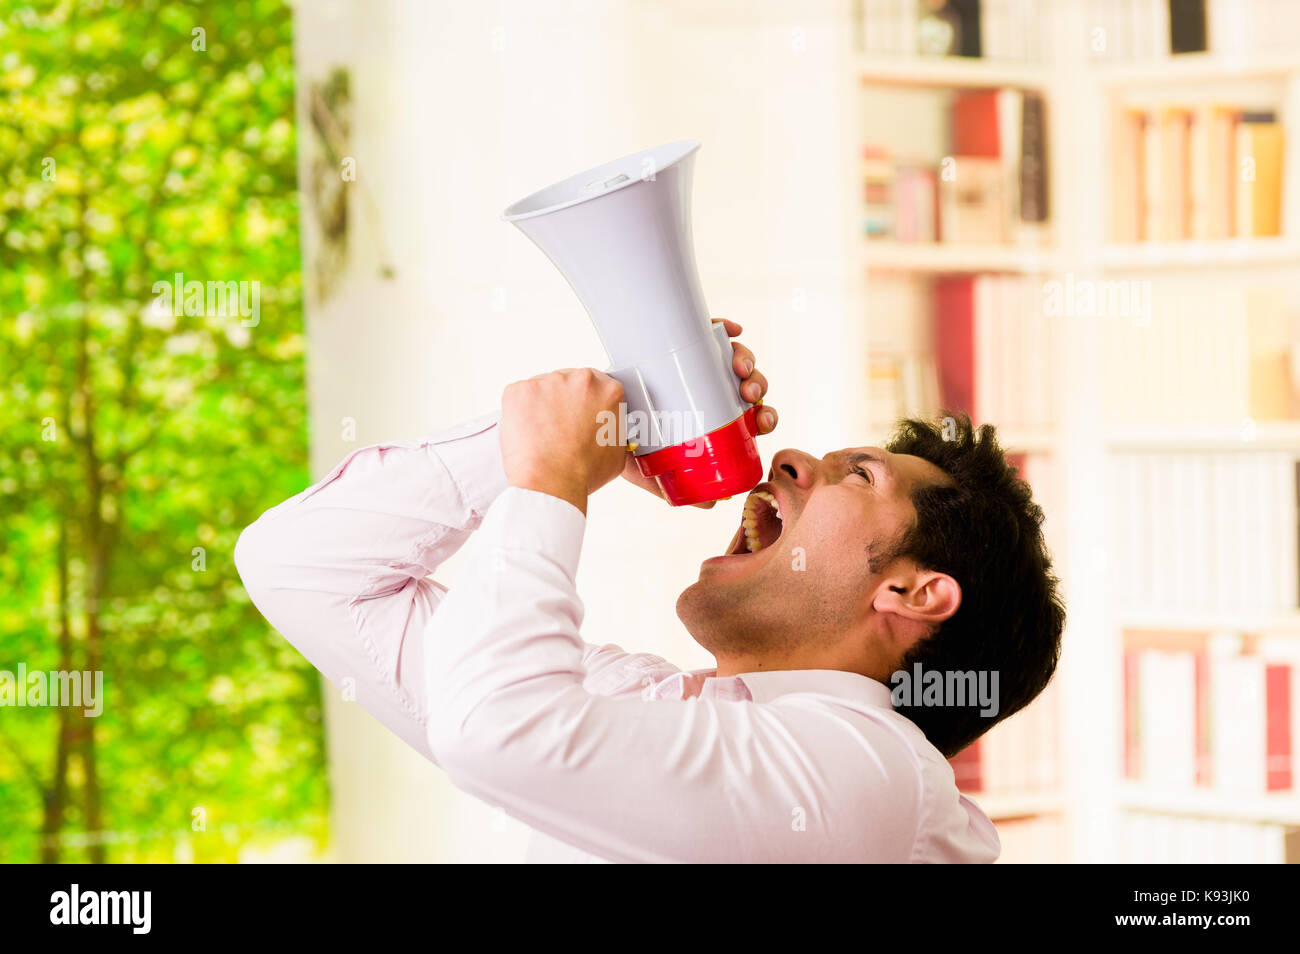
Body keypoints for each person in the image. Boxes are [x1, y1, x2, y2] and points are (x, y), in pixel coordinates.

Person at [235, 322, 1065, 862]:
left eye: (857, 475)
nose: (790, 462)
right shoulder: (650, 704)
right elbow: (302, 563)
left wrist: (554, 483)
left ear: (916, 595)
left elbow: (500, 730)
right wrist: (601, 424)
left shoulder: (876, 774)